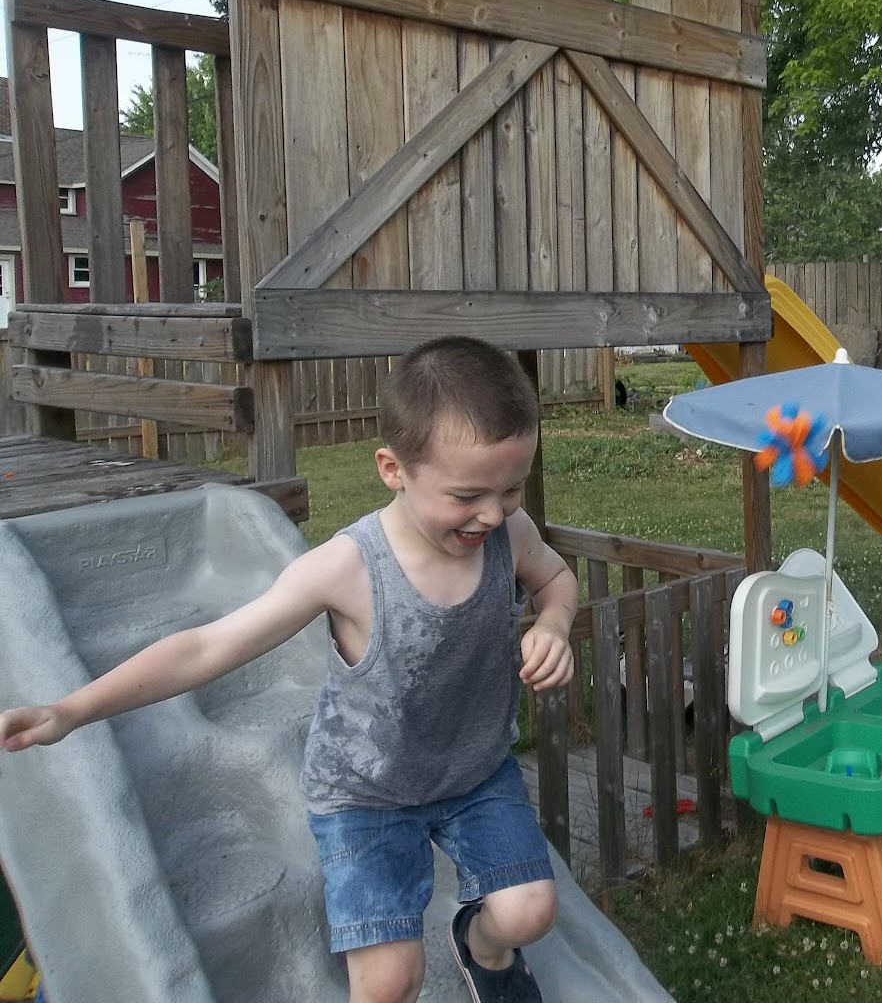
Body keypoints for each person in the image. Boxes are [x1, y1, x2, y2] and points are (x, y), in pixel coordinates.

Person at [0, 335, 578, 1003]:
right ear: (392, 469)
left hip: (476, 773)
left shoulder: (511, 533)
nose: (492, 512)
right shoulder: (349, 569)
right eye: (468, 495)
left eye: (510, 489)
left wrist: (556, 622)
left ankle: (480, 945)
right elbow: (206, 648)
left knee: (530, 911)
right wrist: (71, 709)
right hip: (368, 793)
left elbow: (555, 581)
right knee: (389, 984)